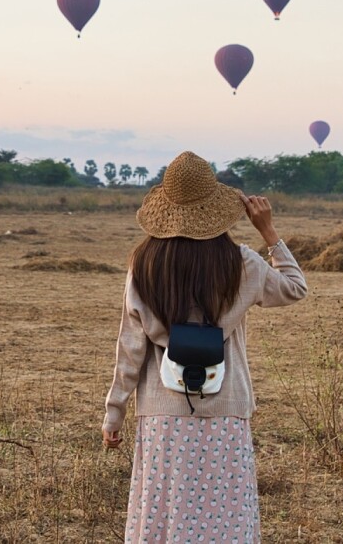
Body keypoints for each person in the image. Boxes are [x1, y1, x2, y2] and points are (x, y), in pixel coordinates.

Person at [102, 150, 308, 542]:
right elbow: (295, 288)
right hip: (225, 413)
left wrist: (114, 414)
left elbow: (130, 348)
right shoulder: (242, 263)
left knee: (166, 517)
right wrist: (269, 232)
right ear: (216, 209)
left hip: (161, 415)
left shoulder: (144, 265)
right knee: (224, 519)